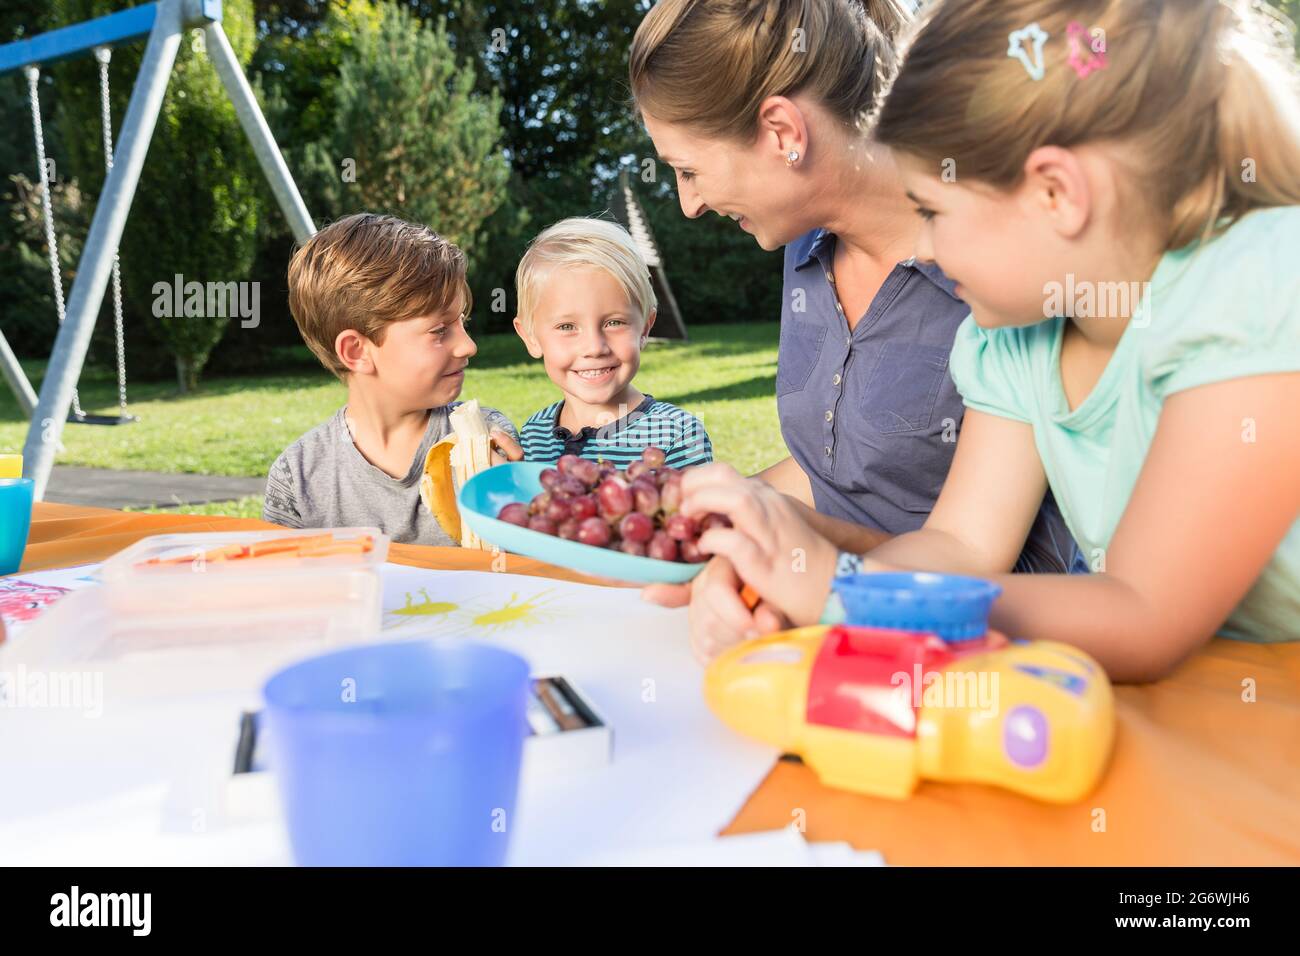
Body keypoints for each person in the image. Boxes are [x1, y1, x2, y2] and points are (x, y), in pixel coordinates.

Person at [677, 0, 1300, 681]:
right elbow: (962, 548)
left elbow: (1144, 613)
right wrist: (781, 575)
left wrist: (846, 595)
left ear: (1055, 194)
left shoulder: (1257, 288)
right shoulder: (1012, 343)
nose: (924, 247)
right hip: (1198, 703)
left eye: (934, 212)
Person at [264, 213, 521, 544]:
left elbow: (516, 576)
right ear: (357, 351)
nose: (468, 346)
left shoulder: (491, 440)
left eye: (462, 322)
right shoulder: (298, 478)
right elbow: (288, 587)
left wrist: (521, 510)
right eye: (440, 330)